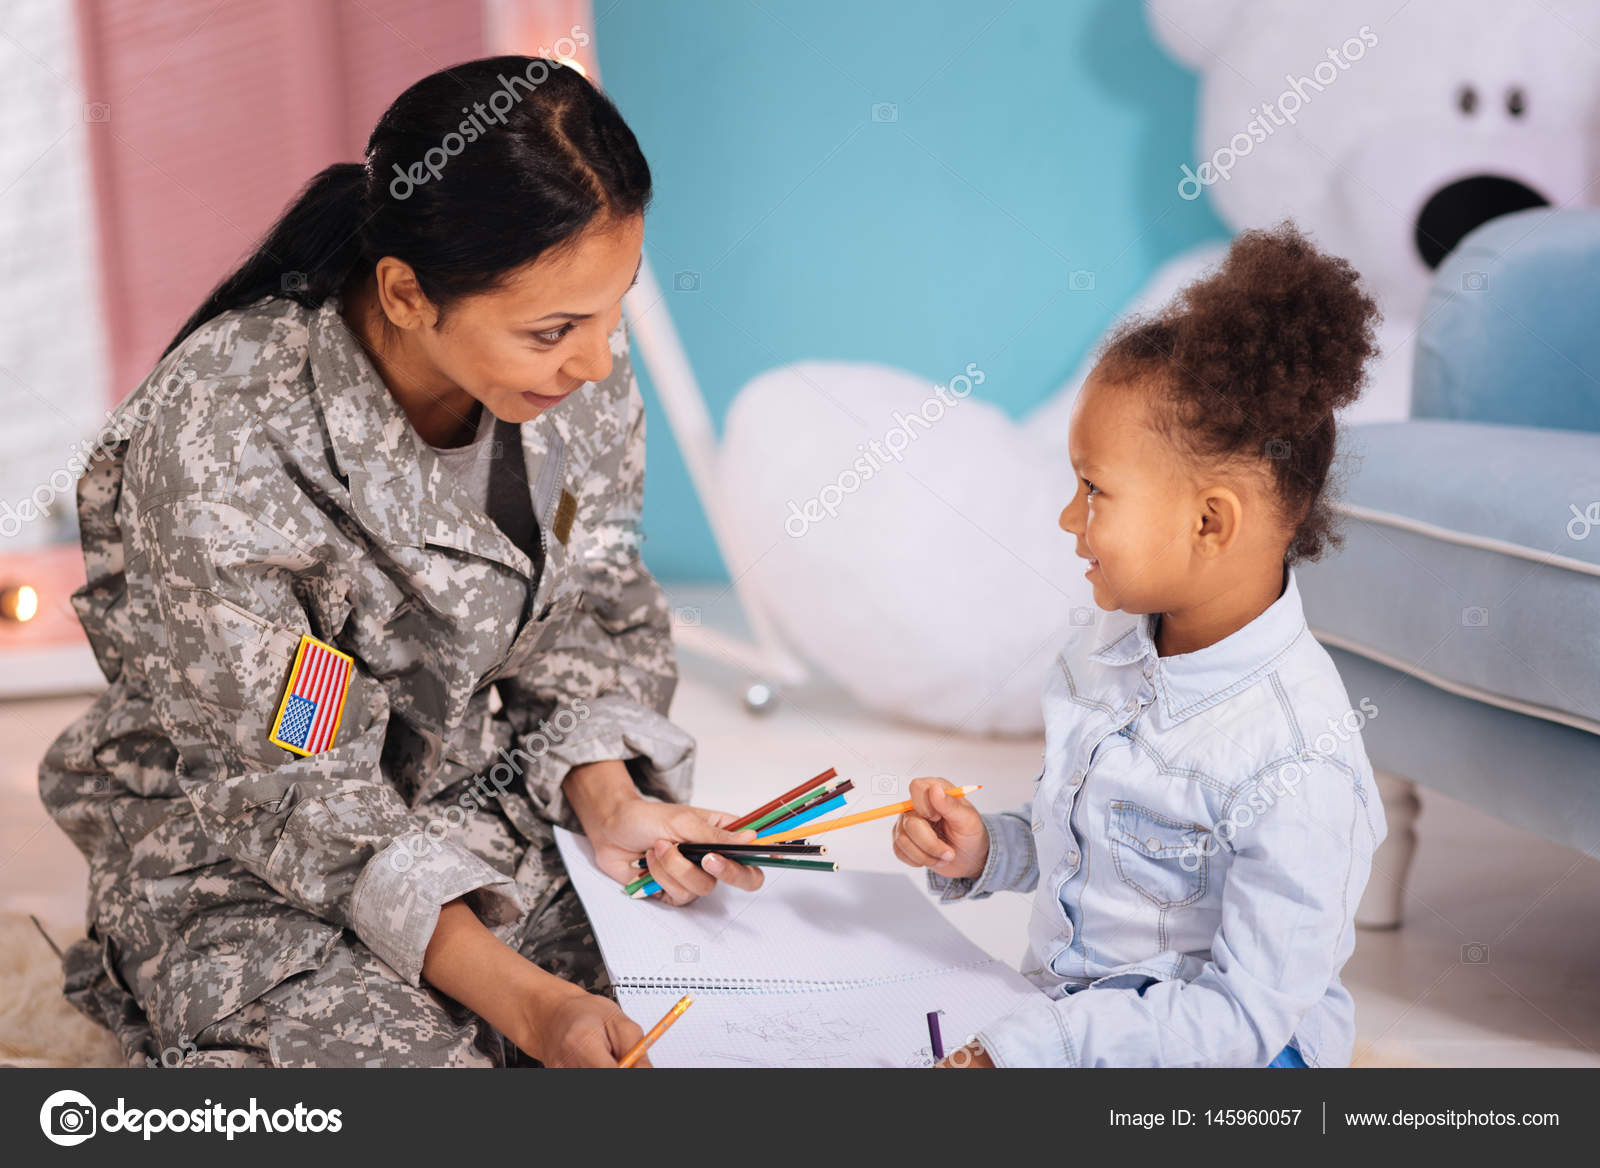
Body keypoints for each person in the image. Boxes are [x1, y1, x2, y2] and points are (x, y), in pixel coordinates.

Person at [39, 56, 763, 1069]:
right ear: (408, 294)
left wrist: (610, 800)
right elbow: (288, 784)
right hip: (253, 862)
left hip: (483, 814)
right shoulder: (223, 434)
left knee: (737, 1009)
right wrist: (534, 1008)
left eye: (614, 310)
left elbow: (591, 619)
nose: (598, 362)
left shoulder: (574, 371)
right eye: (555, 330)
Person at [892, 223, 1389, 1067]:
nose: (1066, 520)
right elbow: (1090, 845)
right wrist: (990, 848)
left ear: (1209, 520)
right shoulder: (1105, 652)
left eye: (1093, 491)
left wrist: (1038, 1051)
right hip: (1076, 1018)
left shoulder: (1300, 763)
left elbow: (1240, 1023)